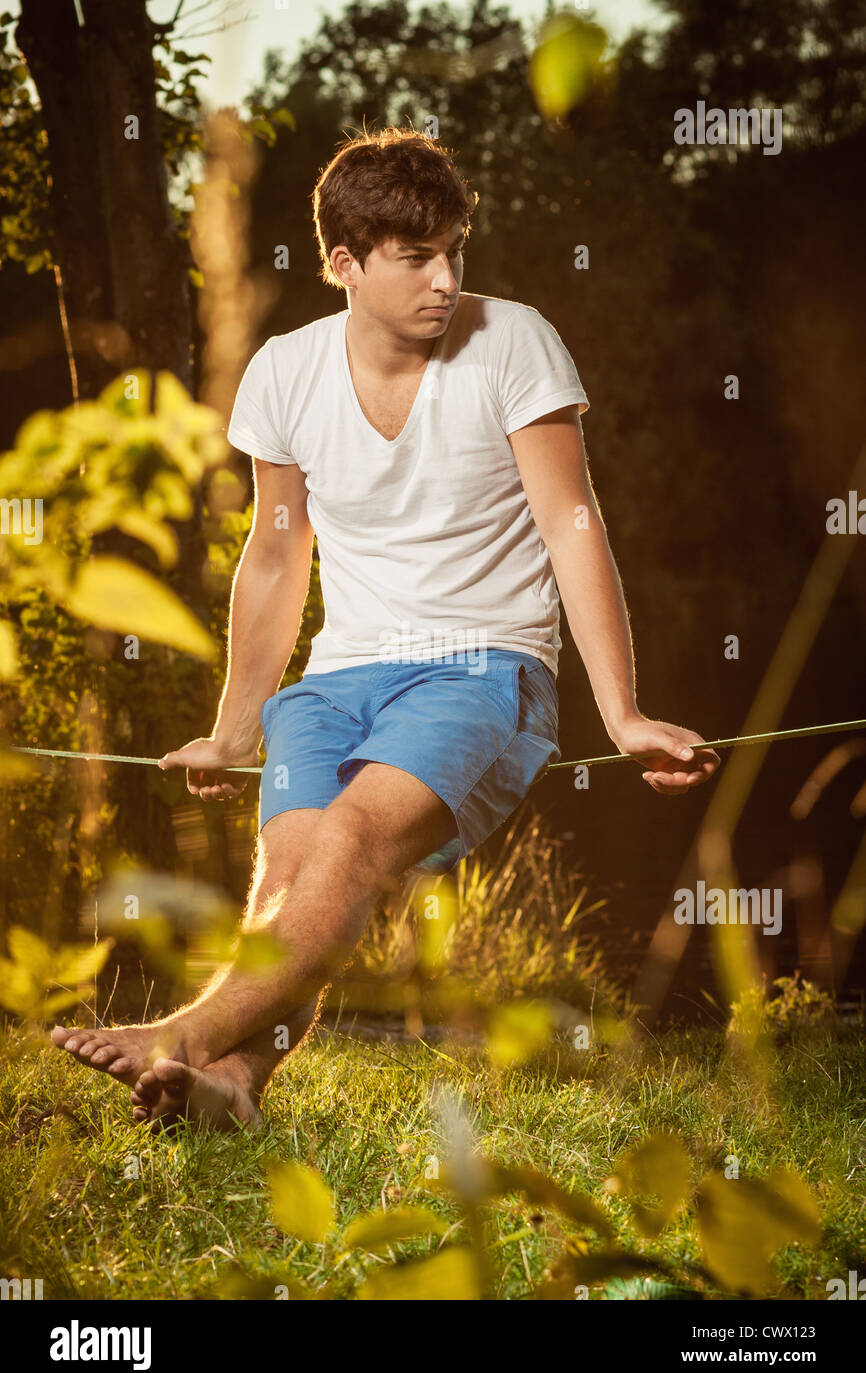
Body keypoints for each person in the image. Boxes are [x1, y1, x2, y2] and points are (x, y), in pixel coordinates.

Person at [52, 128, 720, 1129]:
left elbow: (573, 527)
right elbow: (276, 559)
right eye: (415, 256)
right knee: (293, 867)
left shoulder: (514, 341)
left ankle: (183, 1033)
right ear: (341, 264)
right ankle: (232, 1084)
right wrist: (236, 728)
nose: (444, 277)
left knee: (355, 837)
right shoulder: (283, 373)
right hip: (335, 679)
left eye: (454, 248)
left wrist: (619, 711)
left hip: (482, 672)